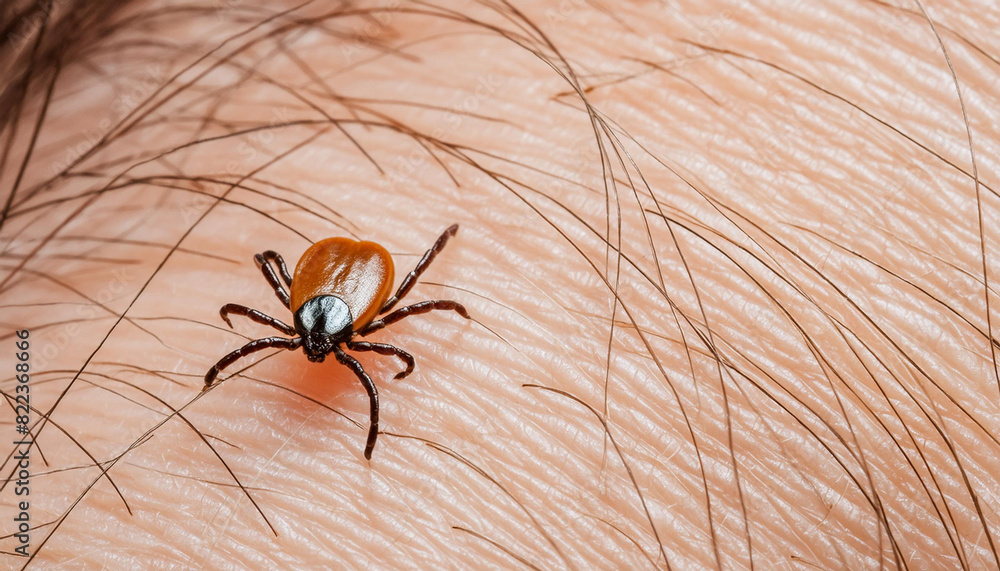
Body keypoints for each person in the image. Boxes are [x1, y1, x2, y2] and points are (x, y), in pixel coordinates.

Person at [2, 1, 997, 568]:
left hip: (352, 280)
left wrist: (296, 331)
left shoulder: (325, 317)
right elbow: (310, 311)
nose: (310, 352)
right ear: (299, 316)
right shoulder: (337, 324)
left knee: (395, 301)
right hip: (352, 280)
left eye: (310, 340)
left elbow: (292, 301)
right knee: (391, 301)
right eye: (303, 337)